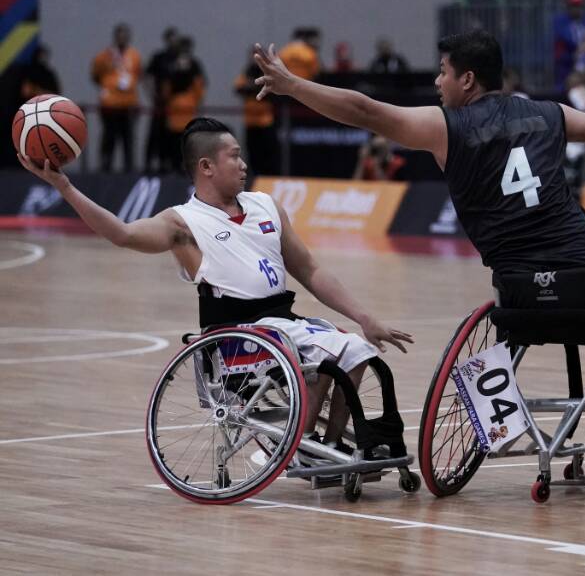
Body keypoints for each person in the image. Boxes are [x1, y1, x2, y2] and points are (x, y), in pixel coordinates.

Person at [251, 28, 585, 486]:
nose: (438, 82)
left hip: (518, 297)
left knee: (520, 324)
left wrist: (294, 87)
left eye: (443, 72)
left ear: (467, 79)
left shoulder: (447, 128)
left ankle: (498, 426)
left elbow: (365, 110)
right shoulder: (551, 114)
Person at [17, 117, 411, 449]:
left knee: (356, 349)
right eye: (234, 156)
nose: (243, 164)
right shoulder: (182, 222)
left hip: (281, 324)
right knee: (324, 350)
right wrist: (64, 187)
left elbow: (311, 270)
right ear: (206, 167)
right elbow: (122, 234)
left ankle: (326, 449)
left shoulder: (265, 205)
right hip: (235, 338)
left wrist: (364, 316)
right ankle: (300, 446)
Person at [91, 23, 141, 173]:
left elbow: (137, 75)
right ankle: (105, 167)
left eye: (125, 35)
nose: (122, 38)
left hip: (128, 103)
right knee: (109, 137)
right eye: (120, 35)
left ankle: (129, 169)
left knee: (128, 138)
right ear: (115, 37)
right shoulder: (104, 55)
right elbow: (95, 75)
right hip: (110, 104)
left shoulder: (134, 55)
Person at [162, 37, 206, 172]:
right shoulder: (171, 65)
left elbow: (199, 87)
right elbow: (166, 89)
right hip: (175, 111)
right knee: (174, 144)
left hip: (188, 110)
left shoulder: (195, 65)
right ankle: (174, 167)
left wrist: (195, 101)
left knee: (188, 143)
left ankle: (186, 169)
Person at [235, 46, 279, 176]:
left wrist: (251, 87)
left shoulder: (267, 71)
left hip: (265, 121)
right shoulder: (248, 71)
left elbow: (272, 91)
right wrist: (254, 87)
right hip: (250, 122)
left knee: (268, 156)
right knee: (252, 155)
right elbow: (238, 88)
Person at [145, 27, 180, 172]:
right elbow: (147, 76)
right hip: (160, 104)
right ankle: (154, 163)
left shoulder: (181, 59)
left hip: (176, 106)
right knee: (155, 133)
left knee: (174, 135)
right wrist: (152, 94)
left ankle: (174, 164)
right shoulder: (159, 57)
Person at [553, 0, 585, 89]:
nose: (576, 9)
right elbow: (561, 39)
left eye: (579, 6)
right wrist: (576, 51)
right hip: (567, 60)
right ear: (568, 6)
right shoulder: (560, 22)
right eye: (573, 6)